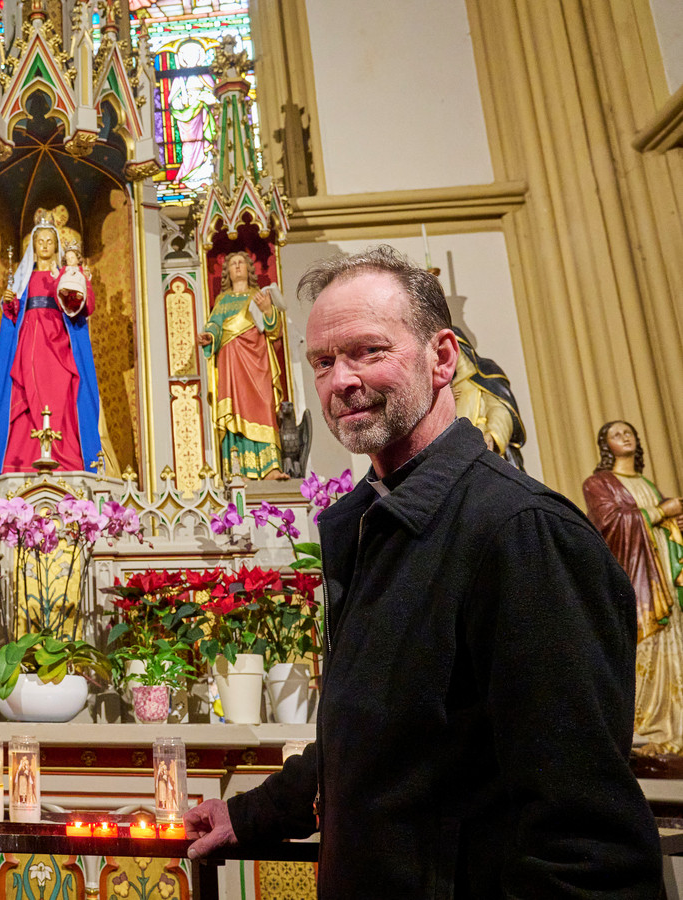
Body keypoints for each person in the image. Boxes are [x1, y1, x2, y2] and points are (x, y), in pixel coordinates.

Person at [184, 245, 660, 897]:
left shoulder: (522, 532)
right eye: (322, 361)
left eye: (368, 351)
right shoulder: (365, 525)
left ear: (443, 357)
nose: (340, 381)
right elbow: (385, 739)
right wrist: (251, 814)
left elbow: (585, 837)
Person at [583, 420, 683, 756]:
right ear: (605, 445)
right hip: (638, 580)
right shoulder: (598, 484)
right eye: (616, 434)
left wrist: (673, 518)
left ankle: (676, 725)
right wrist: (659, 512)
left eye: (629, 432)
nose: (625, 437)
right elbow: (609, 523)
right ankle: (644, 726)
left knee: (673, 650)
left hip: (664, 577)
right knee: (644, 650)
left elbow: (658, 524)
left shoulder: (647, 484)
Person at [0, 207, 103, 475]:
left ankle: (68, 457)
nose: (45, 245)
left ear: (56, 246)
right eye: (40, 241)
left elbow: (82, 307)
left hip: (58, 342)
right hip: (29, 342)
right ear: (34, 247)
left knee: (61, 396)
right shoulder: (23, 279)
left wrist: (80, 286)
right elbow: (14, 314)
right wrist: (9, 302)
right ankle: (21, 459)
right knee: (26, 394)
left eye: (50, 241)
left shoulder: (65, 275)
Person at [198, 250, 288, 479]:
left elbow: (274, 331)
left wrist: (268, 310)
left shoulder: (259, 295)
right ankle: (237, 469)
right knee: (234, 410)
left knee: (263, 407)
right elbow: (215, 324)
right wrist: (209, 336)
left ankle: (271, 468)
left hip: (257, 360)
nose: (237, 266)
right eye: (232, 264)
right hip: (232, 362)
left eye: (241, 263)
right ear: (227, 271)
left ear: (250, 268)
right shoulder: (223, 300)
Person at [450, 325, 527, 468]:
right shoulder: (445, 389)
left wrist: (493, 435)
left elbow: (500, 410)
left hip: (487, 454)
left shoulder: (485, 374)